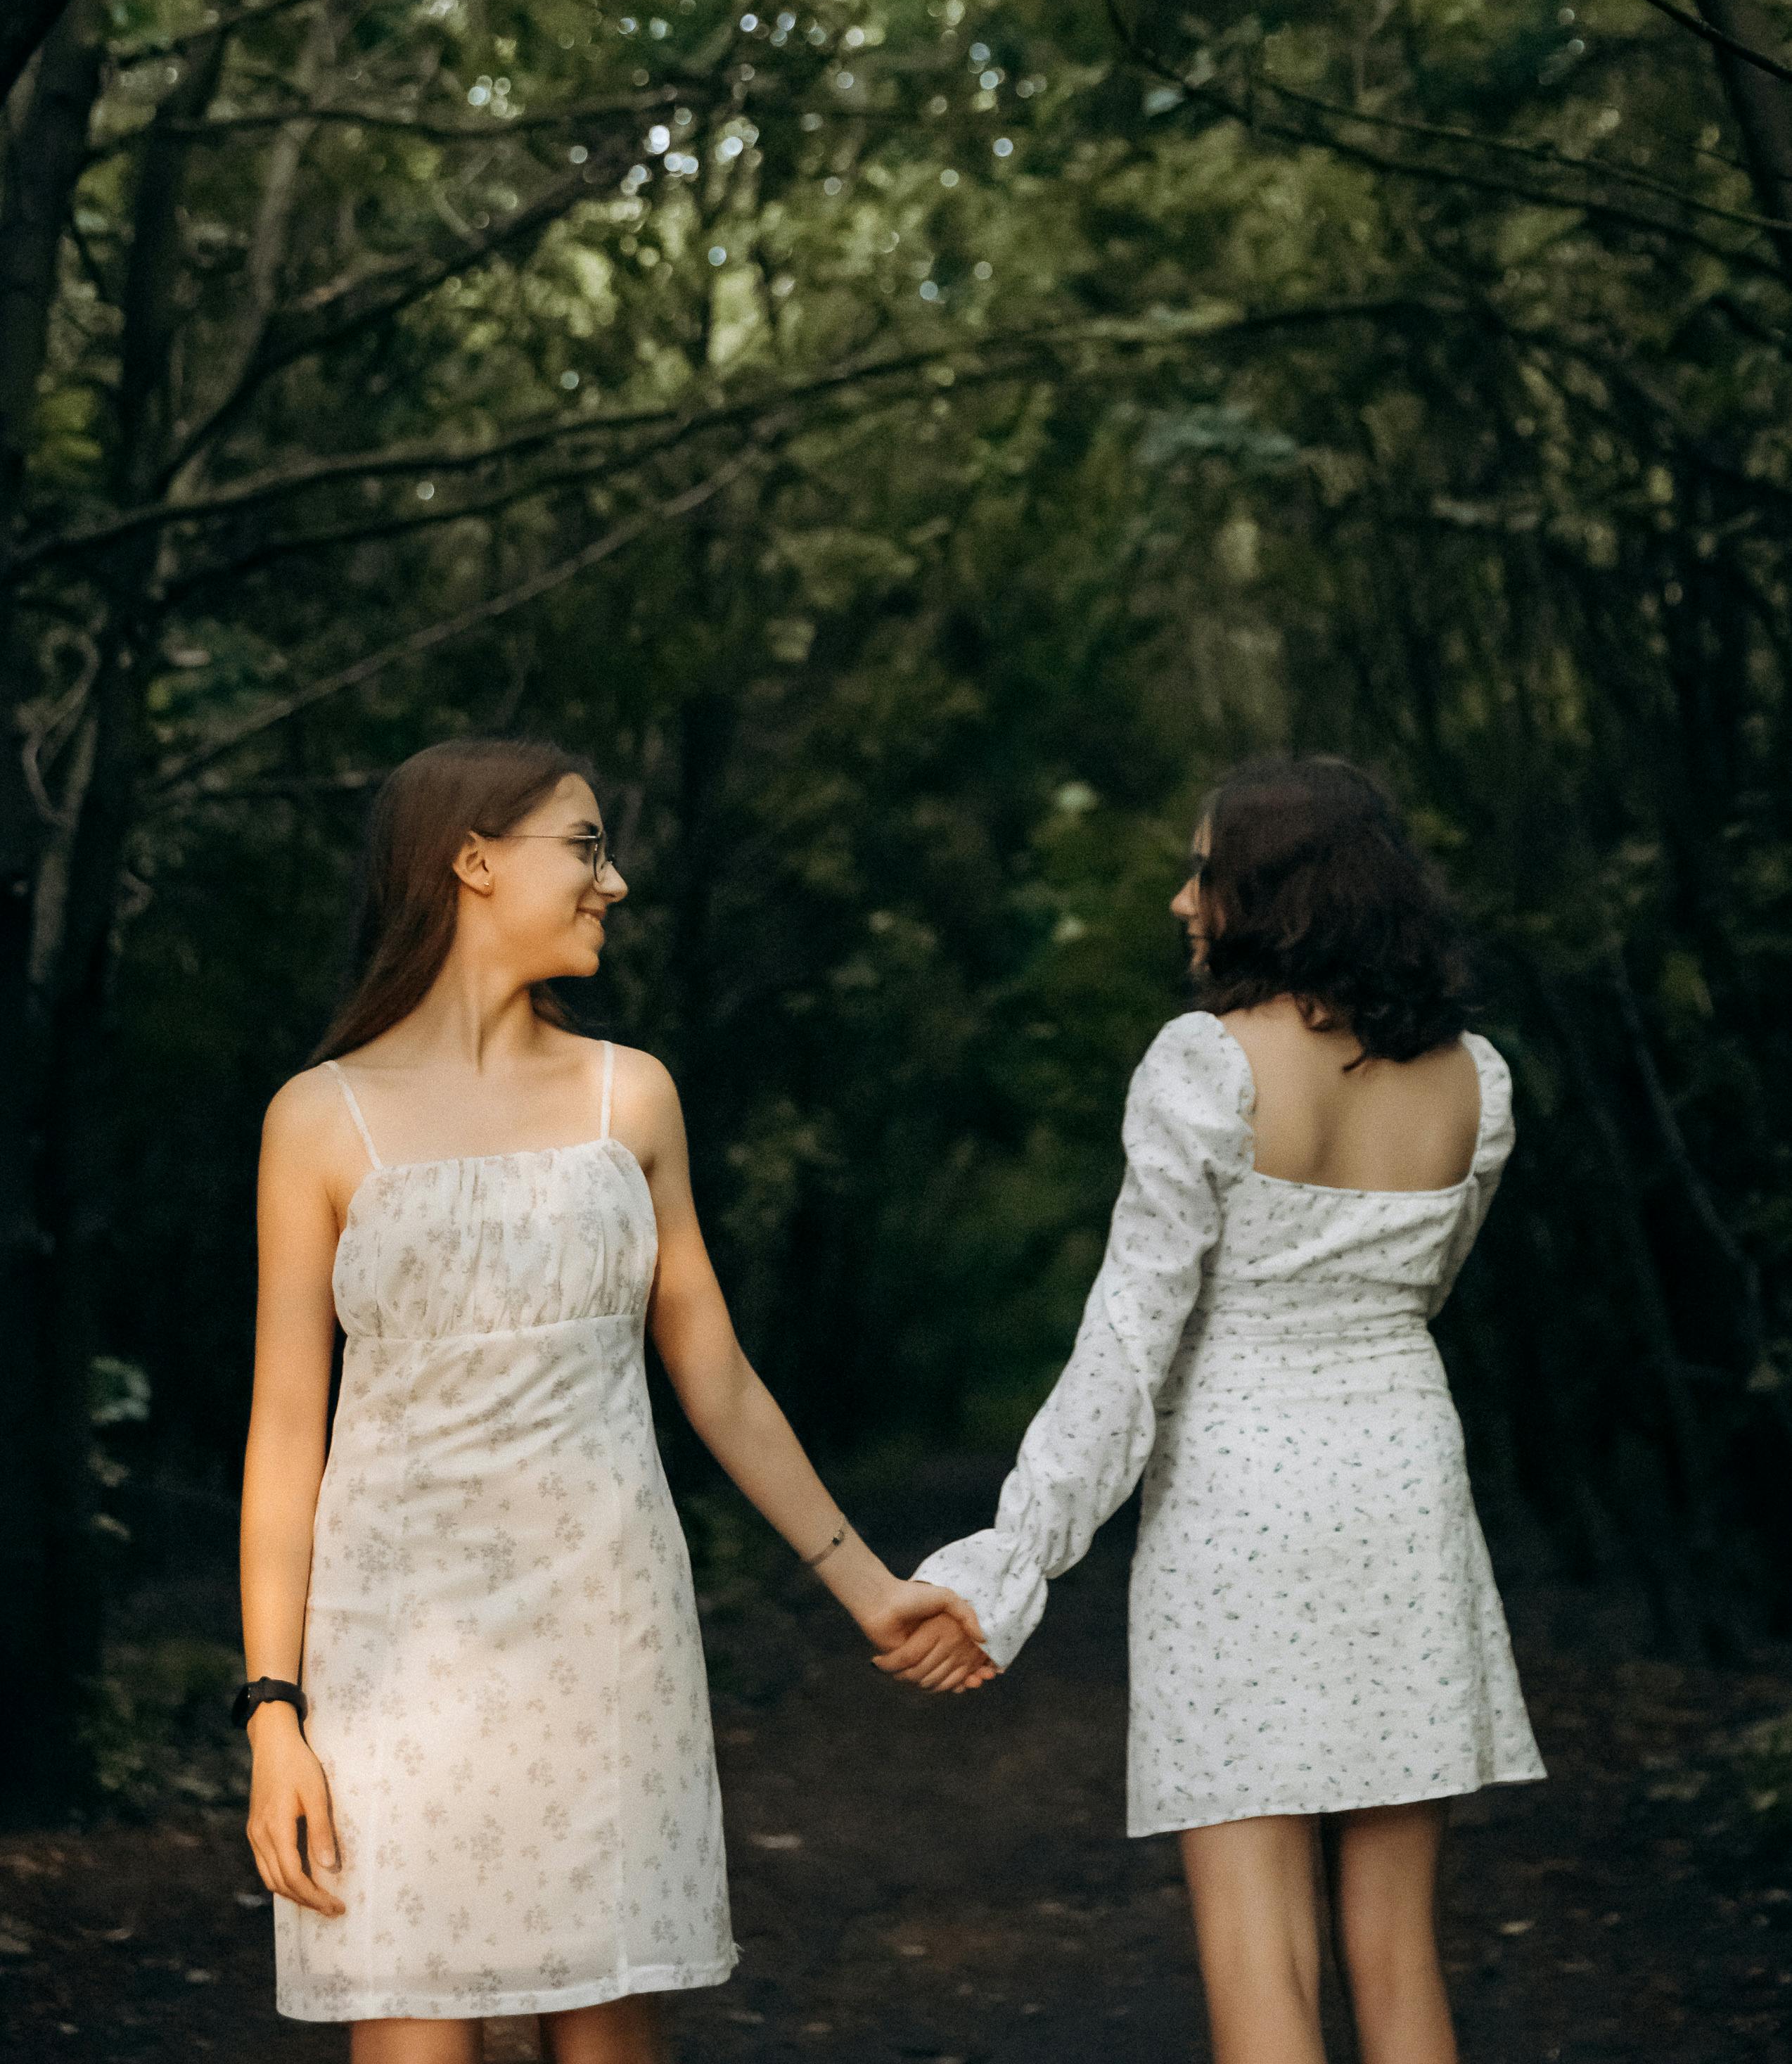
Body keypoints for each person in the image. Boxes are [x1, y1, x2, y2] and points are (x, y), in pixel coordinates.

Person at [238, 735, 990, 2061]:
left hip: (603, 1636)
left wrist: (872, 1588)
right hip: (392, 1662)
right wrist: (274, 1712)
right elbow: (285, 1439)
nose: (616, 882)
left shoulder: (629, 1096)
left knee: (603, 2033)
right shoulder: (316, 1119)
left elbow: (718, 1378)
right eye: (585, 847)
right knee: (408, 2030)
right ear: (474, 860)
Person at [899, 753, 1544, 2064]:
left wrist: (1012, 1561)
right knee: (1403, 1959)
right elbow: (1425, 1291)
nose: (1185, 903)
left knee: (1263, 1961)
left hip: (1244, 1511)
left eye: (1207, 872)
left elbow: (1131, 1343)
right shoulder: (1477, 1080)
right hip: (1405, 1485)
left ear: (1280, 891)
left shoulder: (1207, 1063)